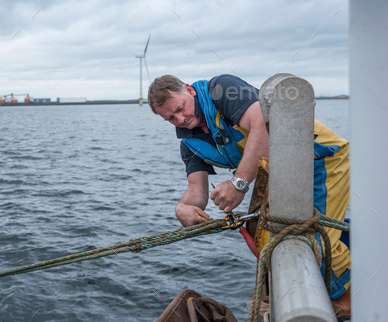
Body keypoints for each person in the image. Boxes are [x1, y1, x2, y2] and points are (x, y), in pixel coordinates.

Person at [147, 74, 351, 304]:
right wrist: (183, 207)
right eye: (171, 118)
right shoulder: (189, 145)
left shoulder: (222, 89)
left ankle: (348, 306)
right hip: (284, 176)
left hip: (320, 160)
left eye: (181, 108)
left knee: (313, 242)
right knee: (283, 240)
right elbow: (197, 190)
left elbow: (265, 125)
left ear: (189, 89)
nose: (181, 119)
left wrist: (238, 184)